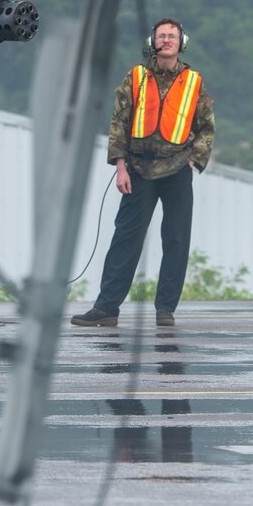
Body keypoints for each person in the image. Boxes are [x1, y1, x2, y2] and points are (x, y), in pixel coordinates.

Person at [72, 18, 214, 329]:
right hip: (137, 168)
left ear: (181, 42)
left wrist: (194, 160)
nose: (166, 40)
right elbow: (118, 123)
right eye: (161, 36)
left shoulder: (193, 82)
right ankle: (106, 308)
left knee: (176, 240)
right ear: (153, 42)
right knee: (126, 238)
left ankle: (165, 309)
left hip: (178, 170)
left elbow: (206, 129)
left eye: (172, 36)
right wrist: (120, 165)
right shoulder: (135, 77)